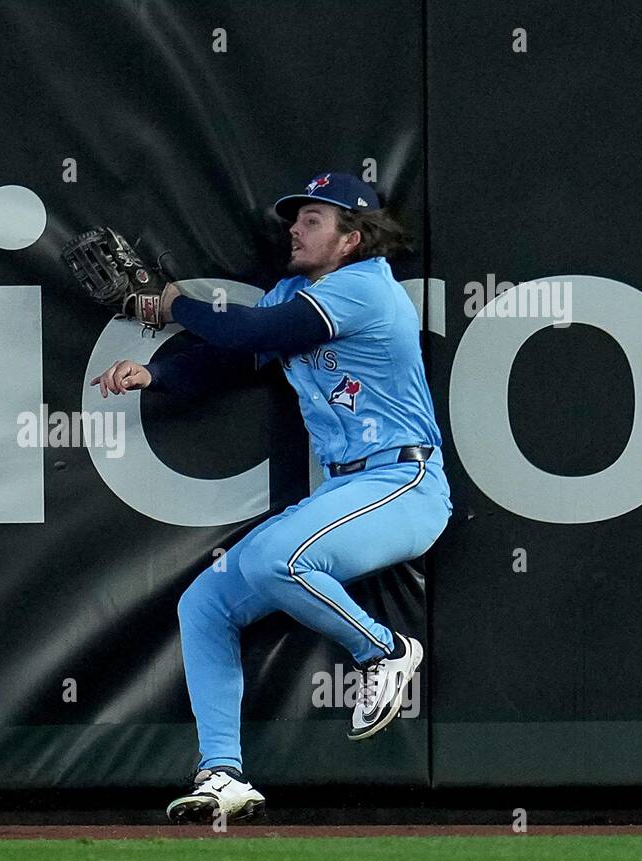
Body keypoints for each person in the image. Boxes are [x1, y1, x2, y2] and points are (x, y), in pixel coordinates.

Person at [90, 172, 453, 823]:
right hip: (350, 487)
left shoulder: (366, 289)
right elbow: (234, 357)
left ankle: (386, 651)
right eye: (296, 218)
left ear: (354, 236)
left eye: (313, 219)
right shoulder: (294, 291)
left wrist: (170, 303)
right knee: (205, 601)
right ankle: (222, 773)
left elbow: (252, 333)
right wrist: (157, 372)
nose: (295, 228)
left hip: (404, 483)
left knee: (274, 562)